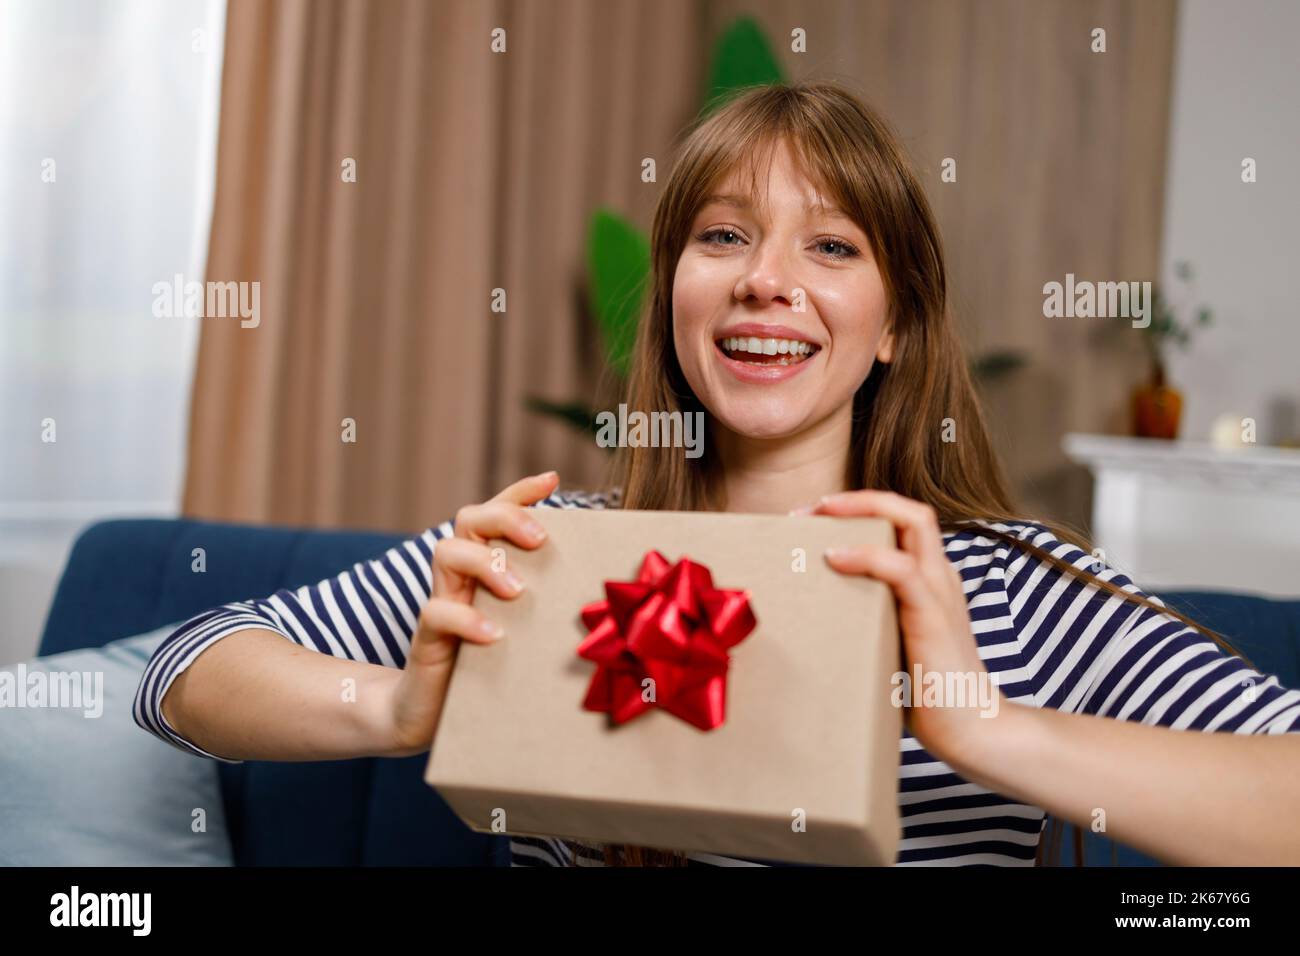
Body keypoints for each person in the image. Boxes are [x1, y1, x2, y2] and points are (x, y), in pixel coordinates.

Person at [134, 81, 1300, 867]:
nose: (765, 281)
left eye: (831, 246)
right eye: (724, 236)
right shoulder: (555, 552)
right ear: (678, 288)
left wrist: (989, 728)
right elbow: (182, 672)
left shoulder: (989, 589)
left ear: (895, 323)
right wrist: (393, 706)